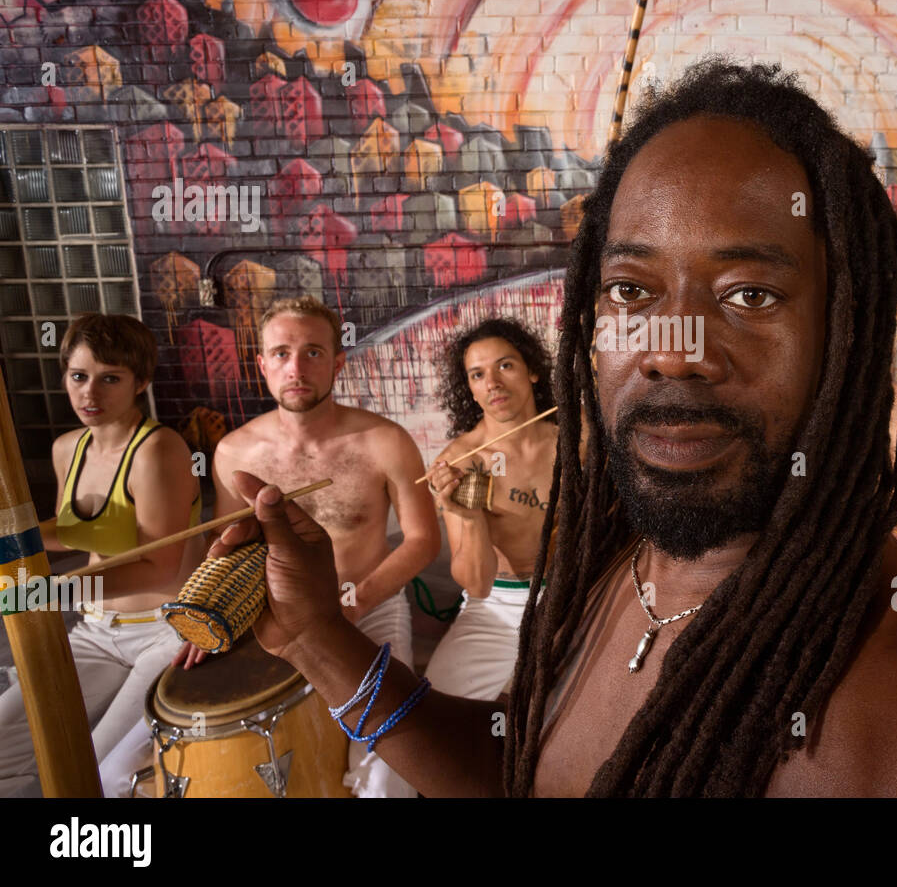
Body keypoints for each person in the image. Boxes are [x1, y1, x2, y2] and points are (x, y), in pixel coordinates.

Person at [205, 59, 897, 797]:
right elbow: (521, 767)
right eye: (633, 293)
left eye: (749, 295)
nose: (673, 355)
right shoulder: (618, 557)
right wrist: (315, 633)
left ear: (847, 334)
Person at [106, 295, 440, 798]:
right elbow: (228, 545)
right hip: (269, 609)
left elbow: (422, 540)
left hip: (366, 606)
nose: (296, 367)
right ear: (261, 364)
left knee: (384, 778)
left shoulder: (385, 441)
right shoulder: (236, 451)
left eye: (313, 352)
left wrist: (357, 601)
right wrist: (207, 613)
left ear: (338, 360)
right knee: (116, 771)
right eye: (281, 353)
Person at [0, 313, 199, 797]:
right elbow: (78, 532)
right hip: (96, 630)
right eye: (79, 376)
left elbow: (160, 566)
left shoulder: (159, 450)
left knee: (95, 771)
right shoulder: (68, 447)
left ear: (140, 383)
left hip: (165, 630)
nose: (90, 394)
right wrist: (9, 539)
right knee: (5, 747)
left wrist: (55, 590)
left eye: (110, 379)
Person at [423, 318, 558, 701]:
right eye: (477, 374)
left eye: (505, 365)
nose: (493, 383)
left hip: (576, 599)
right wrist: (469, 516)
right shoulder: (461, 462)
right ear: (470, 389)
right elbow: (476, 585)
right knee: (441, 722)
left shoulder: (578, 439)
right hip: (496, 608)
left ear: (532, 371)